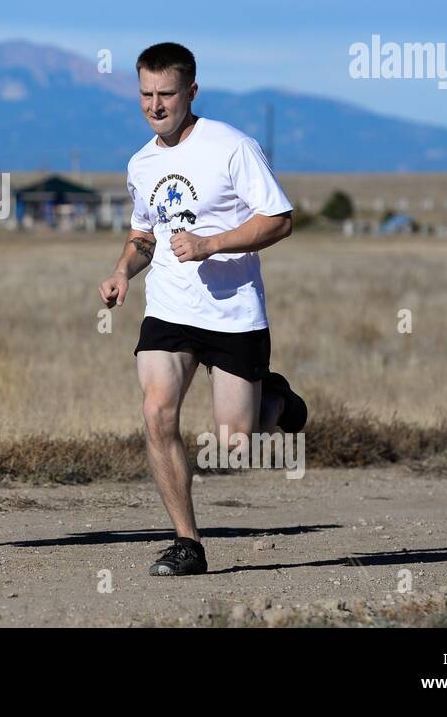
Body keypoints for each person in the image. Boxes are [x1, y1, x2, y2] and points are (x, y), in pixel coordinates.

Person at [98, 42, 303, 576]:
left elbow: (279, 219)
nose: (155, 105)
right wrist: (123, 271)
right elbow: (145, 235)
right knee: (156, 410)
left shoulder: (231, 146)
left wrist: (212, 245)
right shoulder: (141, 163)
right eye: (145, 94)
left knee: (236, 443)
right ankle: (187, 543)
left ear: (191, 91)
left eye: (166, 94)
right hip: (168, 308)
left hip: (232, 312)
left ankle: (275, 400)